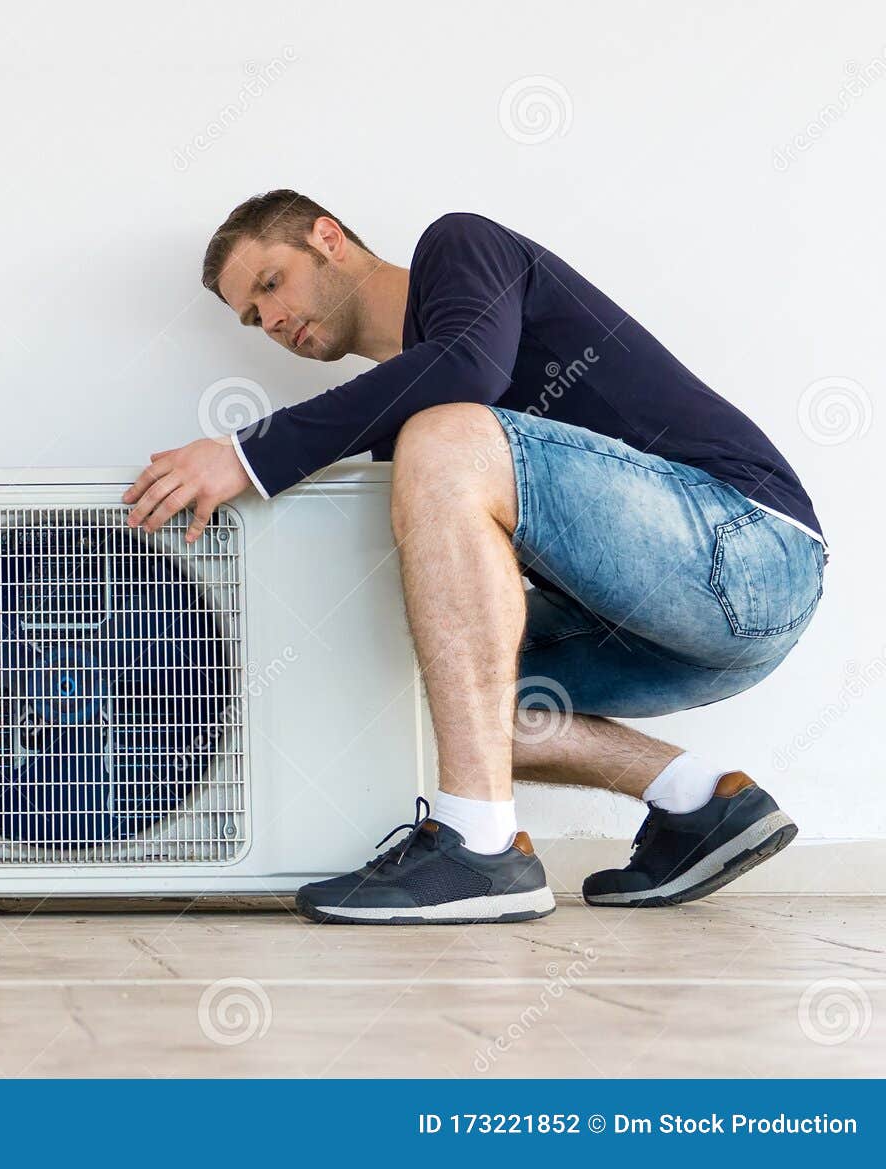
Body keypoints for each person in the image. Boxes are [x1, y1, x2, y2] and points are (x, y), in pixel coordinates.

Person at [122, 191, 825, 924]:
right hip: (687, 639)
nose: (269, 321)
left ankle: (480, 848)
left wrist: (246, 453)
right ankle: (698, 797)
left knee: (443, 432)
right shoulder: (412, 435)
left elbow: (464, 370)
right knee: (426, 686)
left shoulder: (459, 249)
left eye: (270, 283)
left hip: (752, 548)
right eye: (251, 318)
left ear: (327, 238)